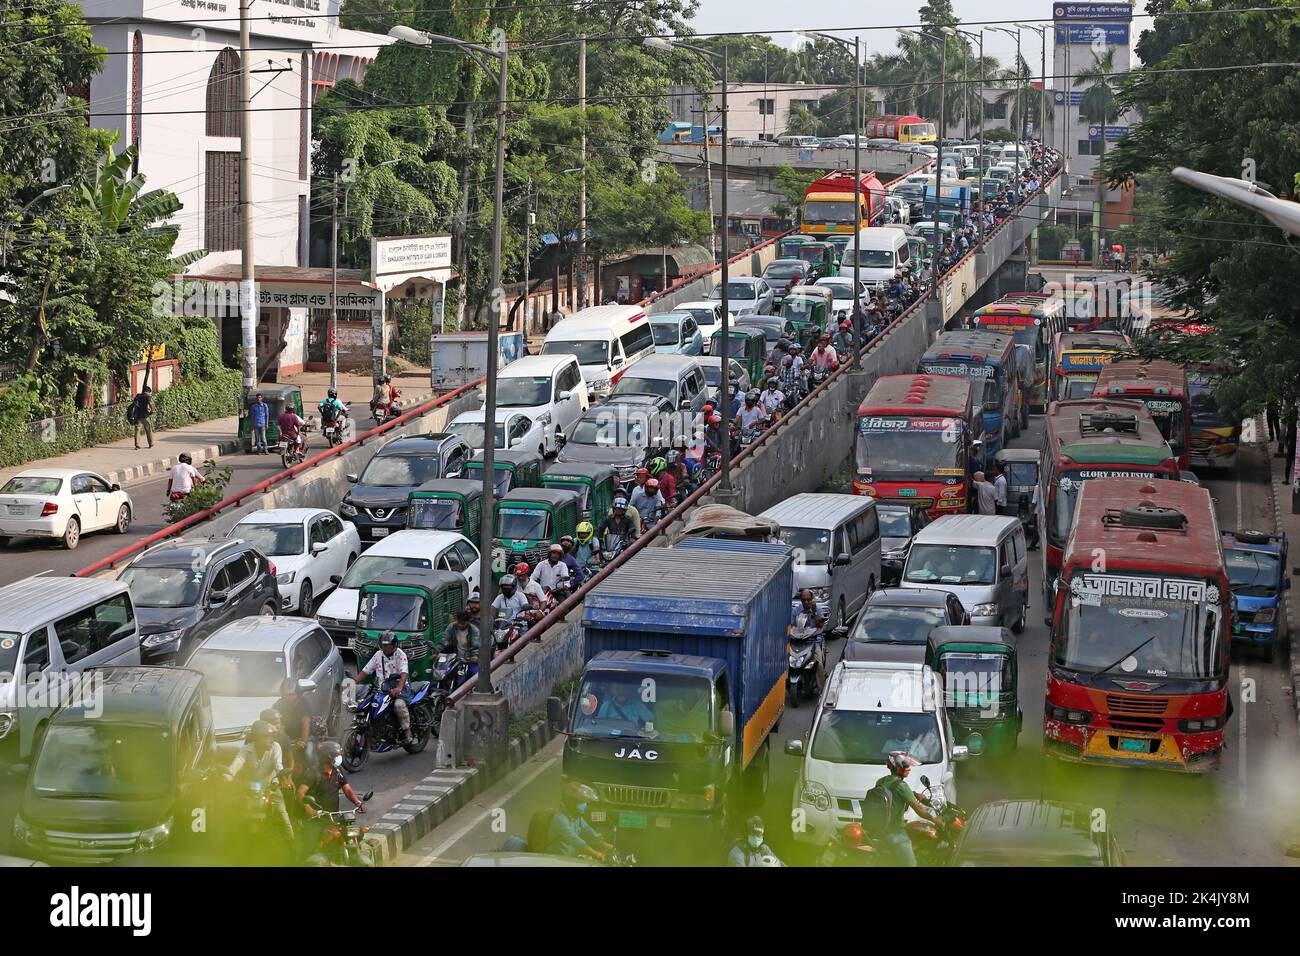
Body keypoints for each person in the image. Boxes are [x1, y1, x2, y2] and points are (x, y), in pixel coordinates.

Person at [224, 720, 294, 844]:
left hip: (271, 787)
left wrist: (283, 777)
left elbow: (279, 766)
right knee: (230, 815)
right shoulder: (246, 750)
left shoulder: (275, 747)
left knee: (285, 821)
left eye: (272, 736)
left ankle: (292, 848)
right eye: (266, 737)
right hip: (250, 790)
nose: (271, 739)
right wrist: (227, 777)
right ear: (256, 738)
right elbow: (236, 765)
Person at [868, 751, 941, 867]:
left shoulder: (881, 781)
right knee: (910, 864)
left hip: (879, 826)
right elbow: (919, 809)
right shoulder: (902, 786)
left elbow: (891, 791)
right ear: (898, 767)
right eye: (906, 765)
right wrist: (935, 819)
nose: (909, 768)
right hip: (894, 830)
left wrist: (913, 794)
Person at [355, 633, 412, 744]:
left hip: (400, 689)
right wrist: (352, 682)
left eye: (388, 645)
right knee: (367, 704)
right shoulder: (378, 655)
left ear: (394, 644)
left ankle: (407, 731)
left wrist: (399, 687)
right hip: (382, 690)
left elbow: (404, 673)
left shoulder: (401, 655)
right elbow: (366, 671)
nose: (385, 647)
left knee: (398, 705)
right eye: (383, 645)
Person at [546, 782, 616, 861]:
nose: (584, 805)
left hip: (568, 858)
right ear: (571, 802)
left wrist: (604, 844)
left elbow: (589, 830)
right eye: (581, 802)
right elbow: (575, 840)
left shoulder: (576, 817)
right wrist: (596, 854)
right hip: (555, 861)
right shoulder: (560, 819)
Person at [129, 385, 155, 450]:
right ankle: (151, 443)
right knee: (148, 430)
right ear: (148, 391)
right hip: (145, 416)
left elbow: (134, 405)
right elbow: (151, 405)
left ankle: (137, 445)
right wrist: (151, 411)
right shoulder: (148, 397)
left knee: (137, 430)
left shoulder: (138, 396)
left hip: (138, 416)